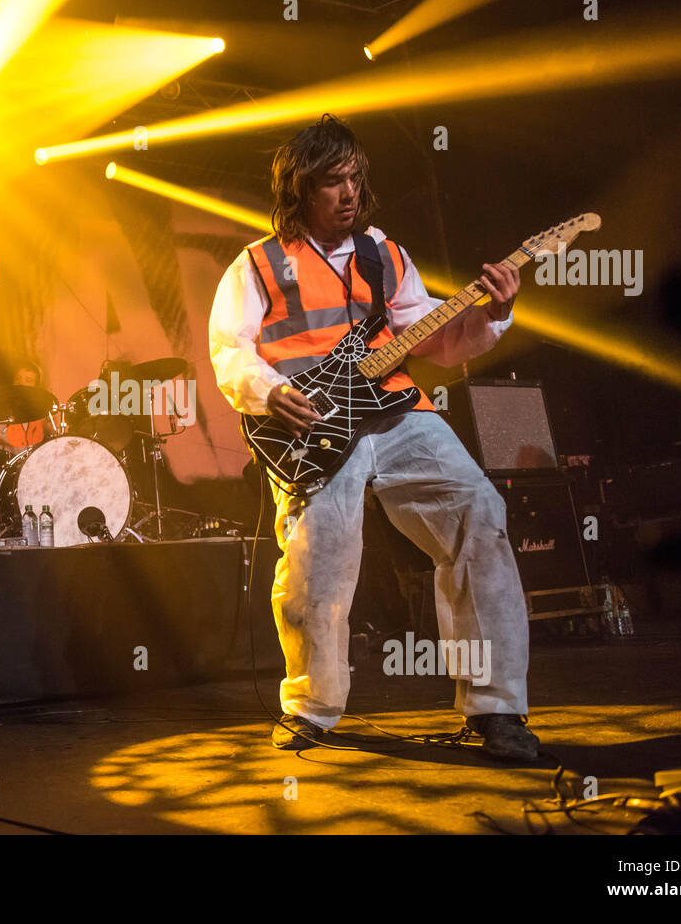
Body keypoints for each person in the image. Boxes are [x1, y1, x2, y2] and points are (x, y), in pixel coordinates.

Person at [208, 114, 539, 760]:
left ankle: (497, 709)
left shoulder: (383, 253)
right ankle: (311, 706)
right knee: (317, 559)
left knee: (480, 512)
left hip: (395, 409)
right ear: (300, 189)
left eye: (356, 177)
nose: (350, 192)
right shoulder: (256, 263)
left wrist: (492, 313)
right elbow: (229, 349)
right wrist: (270, 391)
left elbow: (438, 342)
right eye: (333, 181)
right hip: (312, 425)